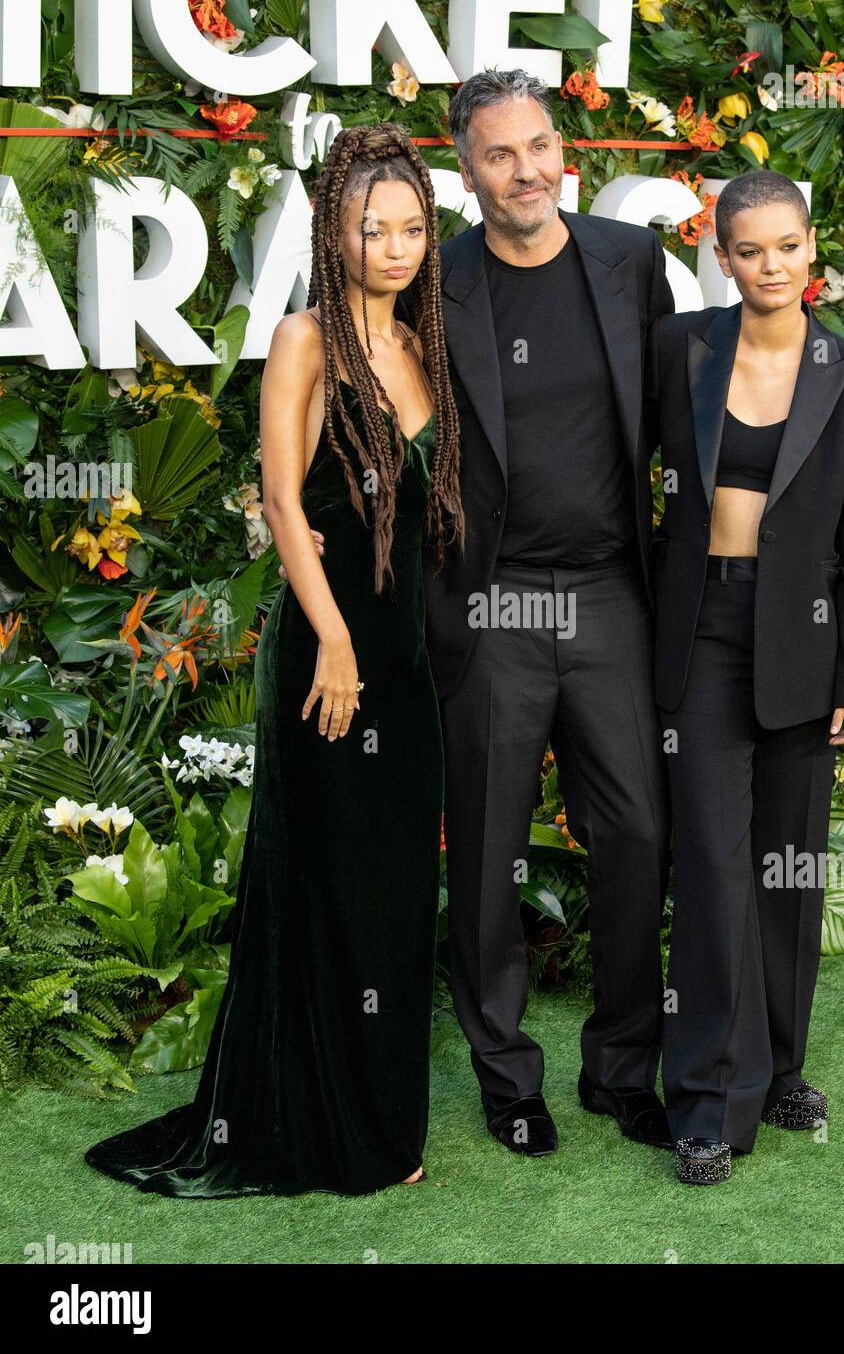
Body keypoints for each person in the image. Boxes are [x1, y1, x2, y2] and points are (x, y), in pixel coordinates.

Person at [84, 122, 463, 1197]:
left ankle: (380, 1119)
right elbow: (284, 501)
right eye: (370, 229)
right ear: (332, 234)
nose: (394, 246)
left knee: (394, 893)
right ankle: (322, 1125)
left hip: (405, 657)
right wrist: (334, 636)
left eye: (410, 227)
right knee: (332, 884)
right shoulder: (306, 340)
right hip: (327, 652)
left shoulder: (421, 343)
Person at [398, 67, 676, 1157]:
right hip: (493, 604)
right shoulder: (436, 284)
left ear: (566, 150)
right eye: (499, 154)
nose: (527, 171)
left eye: (541, 146)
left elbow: (671, 422)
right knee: (486, 852)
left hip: (610, 594)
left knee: (638, 834)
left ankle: (619, 1067)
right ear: (462, 170)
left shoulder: (628, 261)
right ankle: (508, 1079)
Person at [645, 168, 844, 1184]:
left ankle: (780, 1064)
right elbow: (637, 484)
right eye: (748, 250)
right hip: (700, 630)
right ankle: (709, 1101)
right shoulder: (682, 348)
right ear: (720, 256)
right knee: (710, 866)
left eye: (785, 246)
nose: (770, 266)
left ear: (809, 249)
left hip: (804, 639)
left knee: (785, 869)